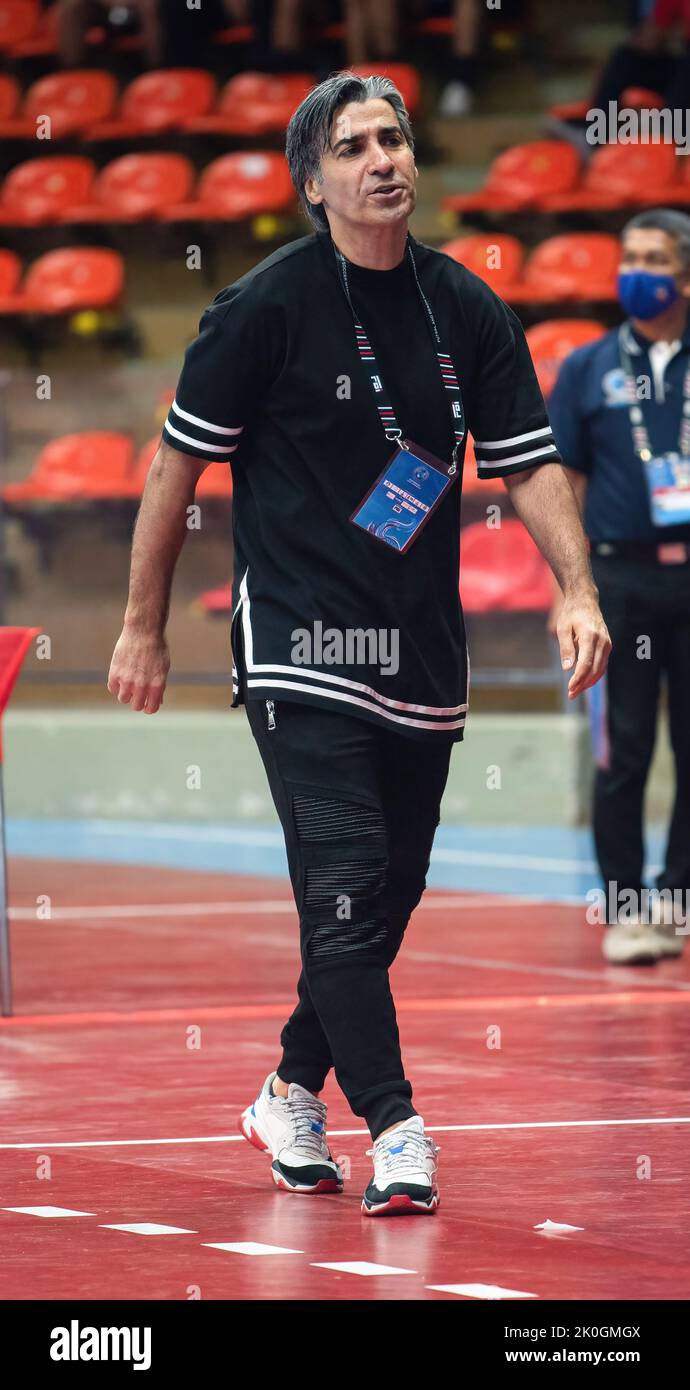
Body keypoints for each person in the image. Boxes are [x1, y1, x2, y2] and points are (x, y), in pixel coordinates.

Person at [107, 71, 610, 1218]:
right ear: (313, 181)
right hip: (297, 640)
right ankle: (396, 1124)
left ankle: (290, 1085)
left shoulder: (466, 308)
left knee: (386, 893)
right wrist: (141, 623)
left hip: (418, 650)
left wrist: (576, 588)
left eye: (395, 138)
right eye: (354, 146)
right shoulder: (263, 308)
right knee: (339, 882)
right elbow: (174, 468)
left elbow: (527, 463)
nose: (384, 159)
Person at [548, 209, 690, 966]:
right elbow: (562, 480)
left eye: (655, 257)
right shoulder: (588, 366)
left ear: (685, 276)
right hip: (620, 580)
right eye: (628, 256)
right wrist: (571, 589)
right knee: (623, 749)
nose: (637, 269)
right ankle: (627, 906)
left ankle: (678, 897)